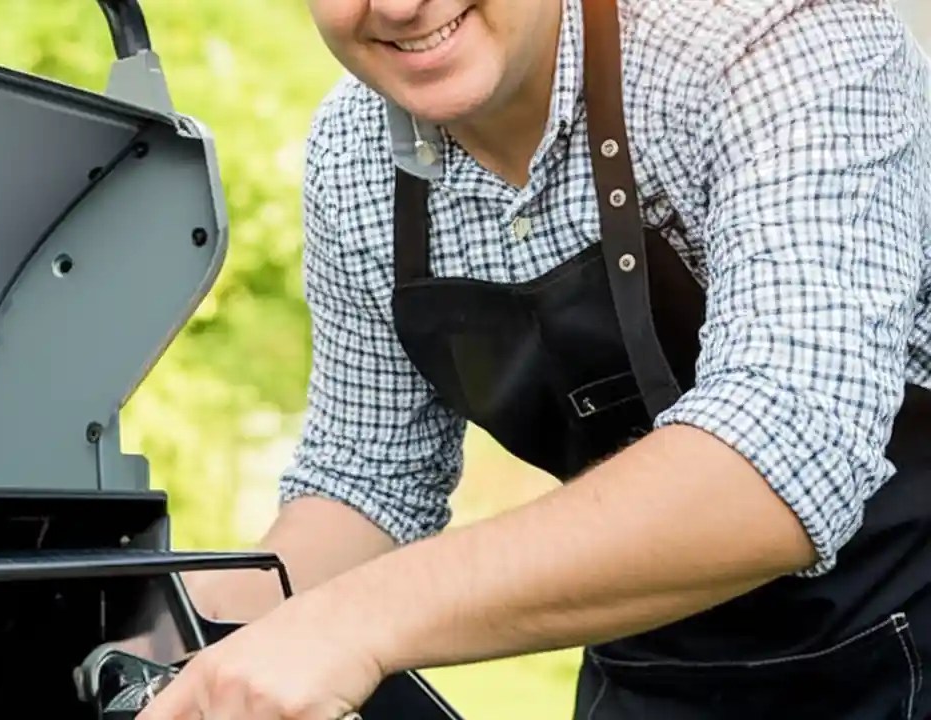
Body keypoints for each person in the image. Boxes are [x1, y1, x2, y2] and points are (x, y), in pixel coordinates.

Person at [140, 0, 931, 717]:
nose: (402, 6)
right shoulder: (353, 158)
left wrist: (353, 622)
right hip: (650, 671)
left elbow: (786, 451)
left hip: (906, 639)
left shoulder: (774, 40)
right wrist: (166, 643)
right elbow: (365, 482)